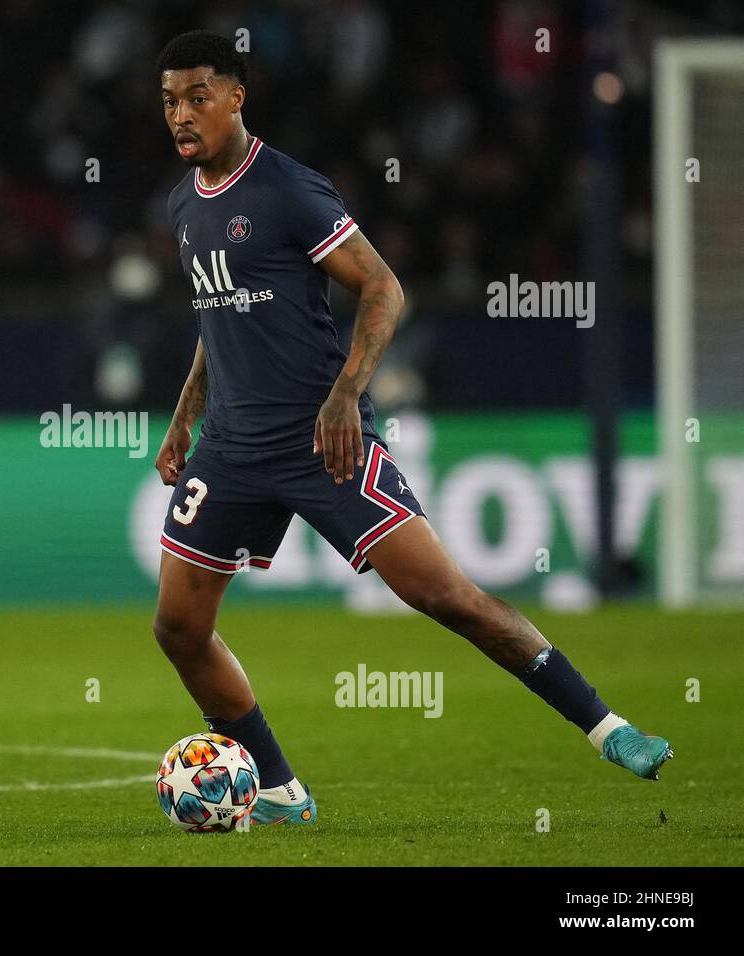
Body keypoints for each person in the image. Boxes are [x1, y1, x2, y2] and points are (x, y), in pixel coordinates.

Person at [150, 31, 672, 826]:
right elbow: (215, 320)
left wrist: (344, 394)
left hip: (324, 442)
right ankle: (283, 792)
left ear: (235, 97)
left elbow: (384, 288)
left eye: (196, 97)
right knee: (179, 628)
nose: (180, 116)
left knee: (447, 596)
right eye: (168, 102)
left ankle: (608, 726)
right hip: (228, 446)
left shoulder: (289, 189)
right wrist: (185, 417)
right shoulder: (184, 202)